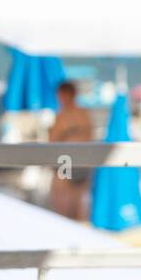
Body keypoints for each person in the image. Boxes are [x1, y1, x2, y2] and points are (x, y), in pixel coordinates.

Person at [48, 81, 93, 220]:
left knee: (62, 203)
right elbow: (89, 136)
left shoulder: (63, 116)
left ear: (64, 95)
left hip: (65, 160)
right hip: (82, 160)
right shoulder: (84, 114)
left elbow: (53, 140)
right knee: (79, 202)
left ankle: (67, 231)